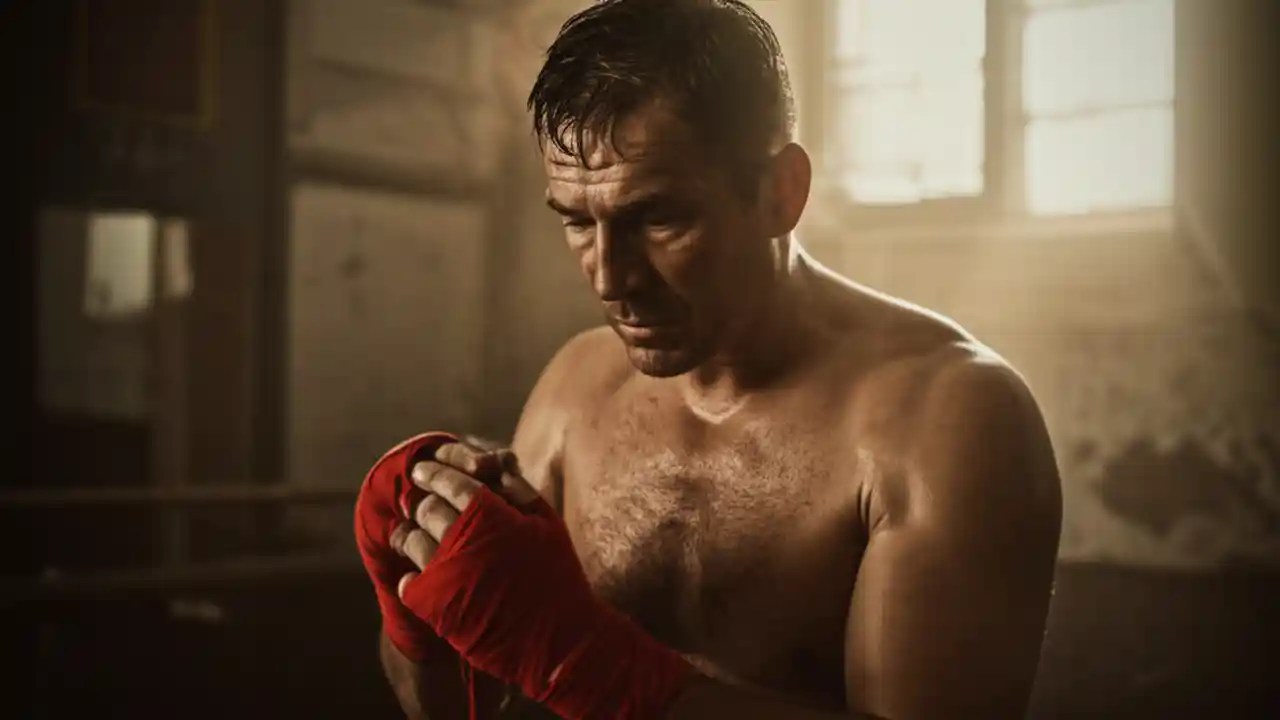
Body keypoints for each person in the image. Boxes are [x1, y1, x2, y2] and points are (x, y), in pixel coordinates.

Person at [355, 1, 1062, 718]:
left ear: (780, 193)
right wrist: (413, 612)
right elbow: (459, 708)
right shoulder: (575, 388)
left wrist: (584, 659)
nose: (609, 278)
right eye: (577, 220)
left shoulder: (945, 421)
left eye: (658, 217)